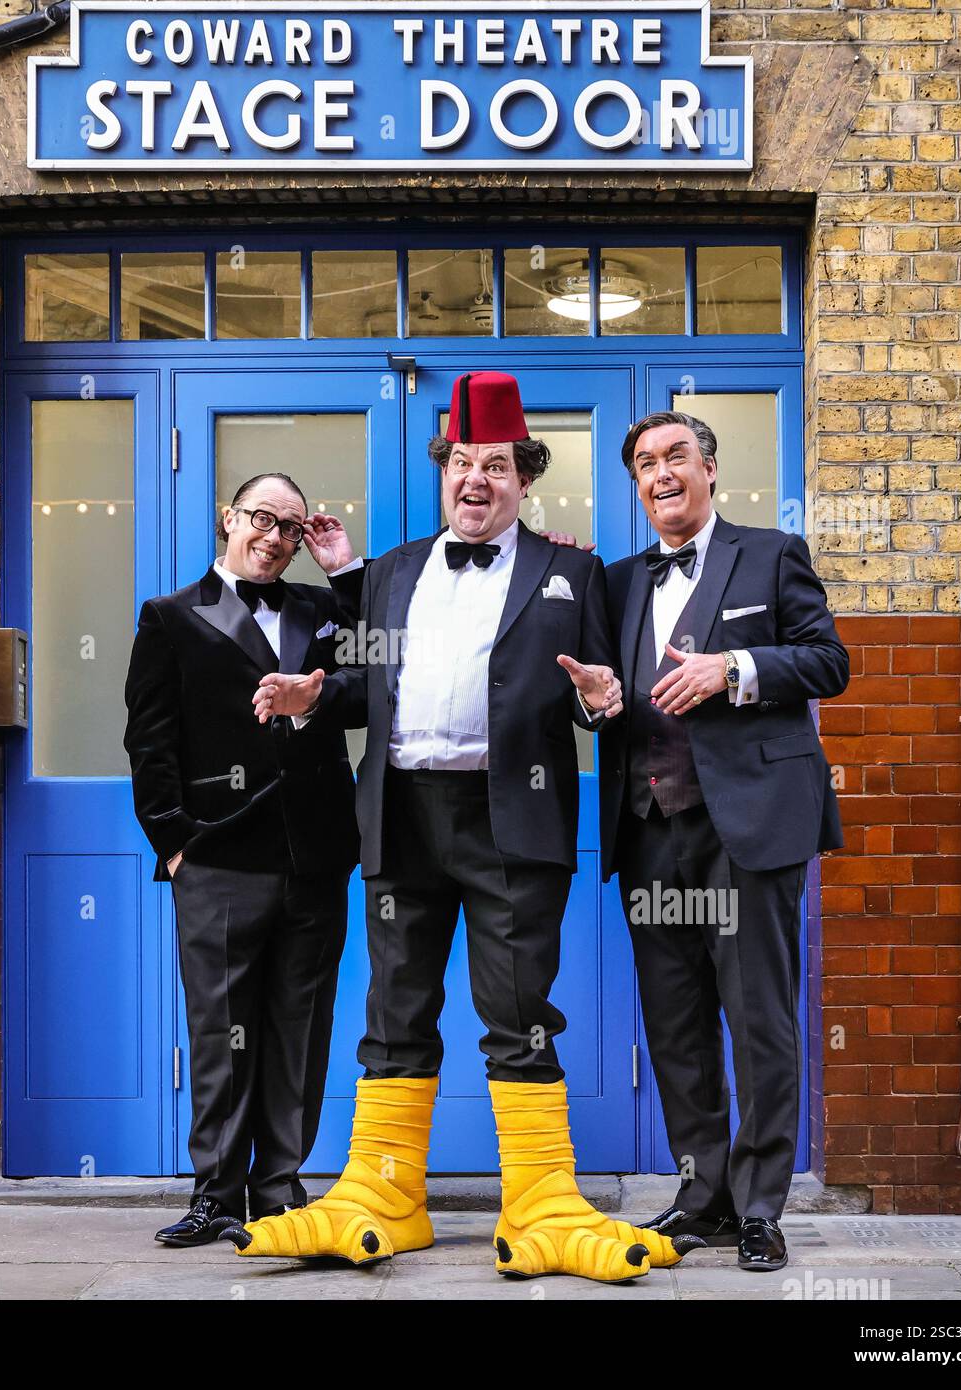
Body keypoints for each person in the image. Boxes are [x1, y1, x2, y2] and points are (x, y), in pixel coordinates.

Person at [230, 371, 696, 1282]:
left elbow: (599, 691)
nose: (475, 479)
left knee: (518, 1012)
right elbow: (369, 683)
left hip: (511, 819)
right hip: (402, 814)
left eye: (496, 465)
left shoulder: (574, 572)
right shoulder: (395, 570)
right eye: (461, 463)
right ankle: (384, 1193)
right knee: (395, 1009)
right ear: (443, 473)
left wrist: (604, 704)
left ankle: (542, 1205)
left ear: (525, 480)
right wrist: (315, 693)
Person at [598, 410, 850, 1272]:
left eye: (674, 456)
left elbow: (828, 662)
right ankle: (701, 1194)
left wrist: (735, 670)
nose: (659, 473)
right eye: (643, 464)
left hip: (749, 827)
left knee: (758, 1020)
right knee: (674, 1025)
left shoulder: (772, 554)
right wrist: (595, 700)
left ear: (710, 468)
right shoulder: (620, 580)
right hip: (648, 827)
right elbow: (607, 689)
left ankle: (759, 1206)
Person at [122, 472, 363, 1247]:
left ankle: (281, 1189)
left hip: (316, 857)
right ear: (229, 518)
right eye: (263, 518)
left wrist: (345, 570)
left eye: (291, 527)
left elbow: (380, 664)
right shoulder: (169, 617)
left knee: (301, 1028)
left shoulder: (320, 608)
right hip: (220, 858)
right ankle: (217, 1195)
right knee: (221, 1029)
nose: (274, 536)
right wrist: (176, 843)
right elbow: (149, 742)